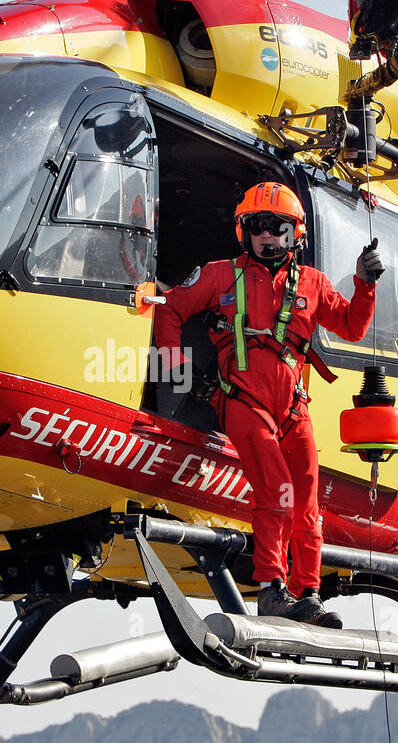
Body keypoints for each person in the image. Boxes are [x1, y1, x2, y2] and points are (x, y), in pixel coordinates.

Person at [154, 182, 384, 628]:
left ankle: (308, 593)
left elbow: (352, 327)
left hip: (293, 406)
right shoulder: (219, 275)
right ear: (244, 232)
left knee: (307, 499)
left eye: (276, 227)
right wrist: (175, 361)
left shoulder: (313, 284)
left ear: (294, 233)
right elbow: (169, 309)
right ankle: (271, 590)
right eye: (257, 226)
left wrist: (365, 283)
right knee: (276, 488)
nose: (267, 235)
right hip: (242, 400)